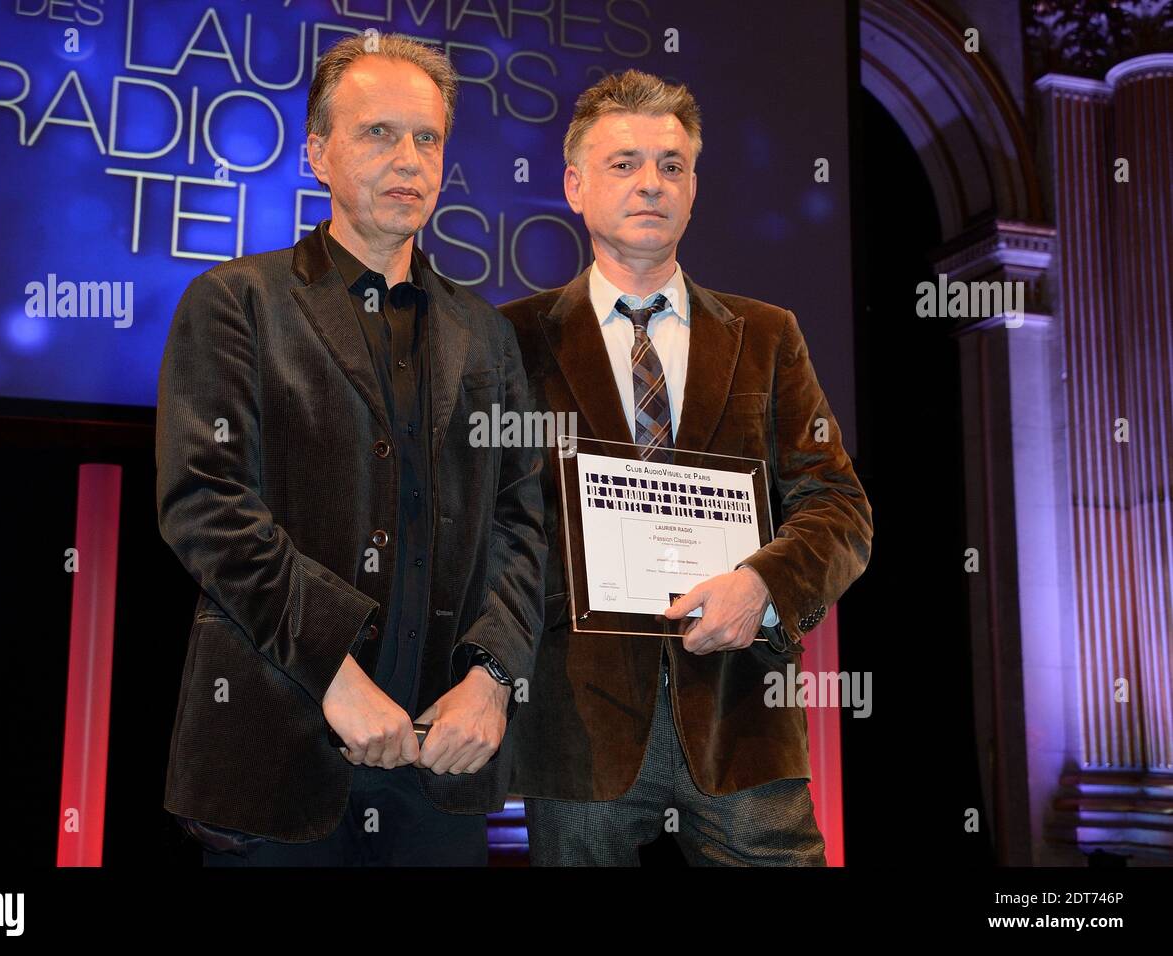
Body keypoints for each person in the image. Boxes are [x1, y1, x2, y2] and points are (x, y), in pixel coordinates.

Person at [155, 34, 546, 866]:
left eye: (427, 138)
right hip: (275, 755)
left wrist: (491, 680)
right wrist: (336, 674)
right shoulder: (235, 303)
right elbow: (206, 505)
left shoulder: (489, 337)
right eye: (377, 133)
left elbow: (525, 527)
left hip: (443, 768)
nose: (407, 158)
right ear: (317, 154)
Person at [499, 69, 873, 866]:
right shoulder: (513, 340)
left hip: (742, 718)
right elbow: (496, 527)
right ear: (574, 184)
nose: (650, 184)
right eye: (624, 162)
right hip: (577, 725)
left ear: (695, 187)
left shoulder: (768, 336)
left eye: (671, 165)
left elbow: (840, 508)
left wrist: (764, 585)